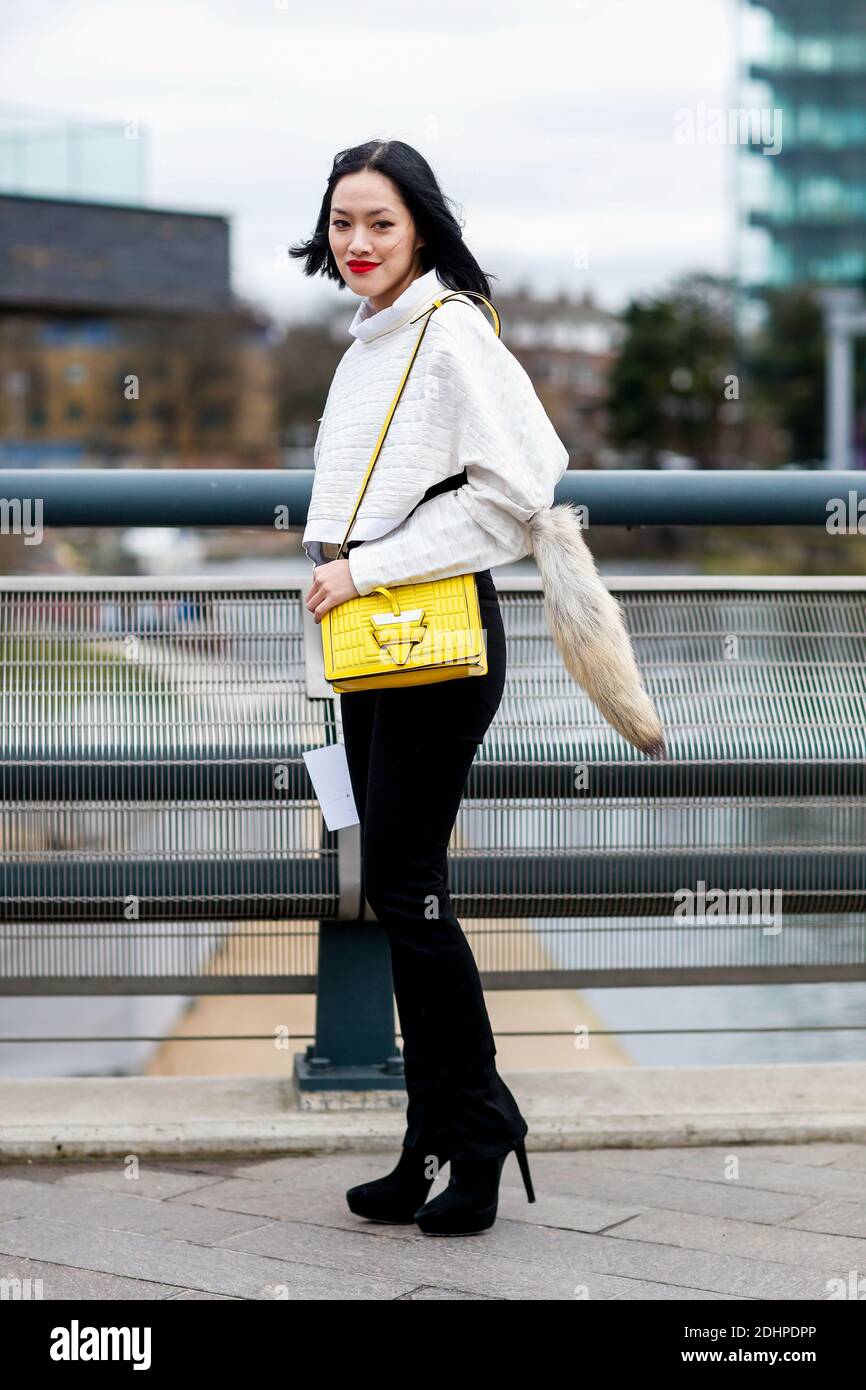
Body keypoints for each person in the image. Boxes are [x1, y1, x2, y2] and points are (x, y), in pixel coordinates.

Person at [290, 138, 663, 1237]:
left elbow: (515, 497)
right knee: (398, 890)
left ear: (420, 231)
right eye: (342, 222)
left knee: (407, 894)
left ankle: (478, 1125)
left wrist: (366, 566)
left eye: (380, 225)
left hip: (436, 645)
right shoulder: (367, 337)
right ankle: (428, 1137)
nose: (356, 243)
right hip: (374, 644)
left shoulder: (449, 334)